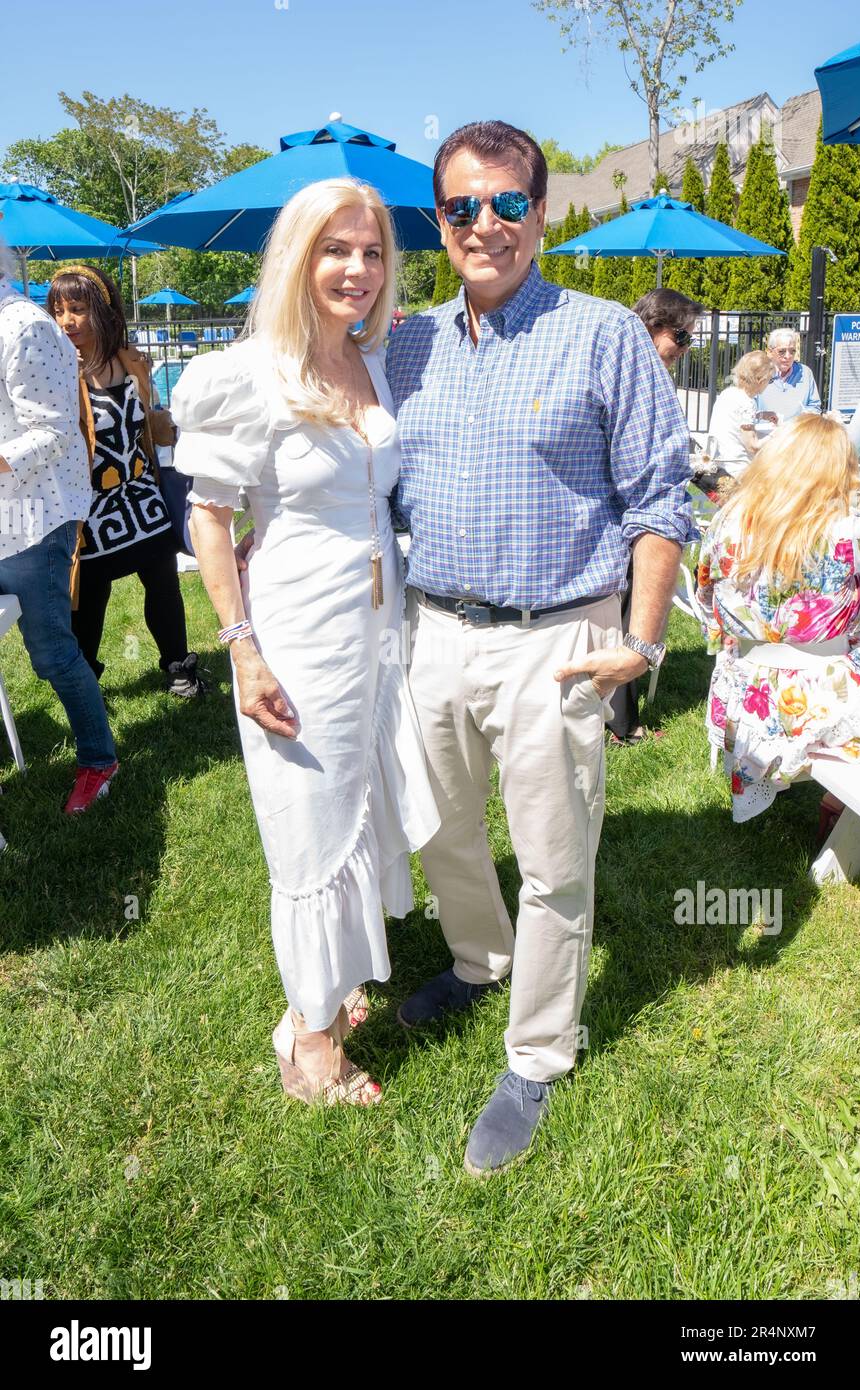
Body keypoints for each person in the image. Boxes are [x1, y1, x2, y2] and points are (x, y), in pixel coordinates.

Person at [386, 121, 694, 1176]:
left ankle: (536, 1052)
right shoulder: (406, 343)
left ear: (541, 213)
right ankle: (478, 962)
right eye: (463, 208)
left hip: (555, 639)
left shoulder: (603, 335)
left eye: (506, 203)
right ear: (438, 223)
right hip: (430, 629)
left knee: (554, 862)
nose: (486, 225)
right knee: (438, 833)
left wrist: (639, 645)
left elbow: (659, 502)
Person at [171, 178, 439, 1106]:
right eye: (337, 250)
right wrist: (241, 647)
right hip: (294, 629)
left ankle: (330, 989)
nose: (358, 269)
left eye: (372, 252)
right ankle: (310, 1047)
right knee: (309, 828)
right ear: (297, 257)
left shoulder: (376, 363)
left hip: (377, 627)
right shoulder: (247, 374)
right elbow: (208, 519)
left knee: (360, 802)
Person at [696, 414, 860, 831]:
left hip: (745, 691)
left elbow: (707, 604)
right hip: (830, 696)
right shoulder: (851, 529)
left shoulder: (727, 523)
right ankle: (835, 804)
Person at [0, 233, 118, 814]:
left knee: (50, 653)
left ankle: (99, 759)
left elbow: (54, 430)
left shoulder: (23, 325)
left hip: (32, 516)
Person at [47, 266, 205, 697]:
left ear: (103, 310)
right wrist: (65, 377)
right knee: (89, 603)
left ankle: (178, 667)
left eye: (77, 309)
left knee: (164, 587)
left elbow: (147, 423)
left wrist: (164, 425)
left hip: (142, 498)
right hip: (91, 511)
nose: (67, 321)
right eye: (59, 310)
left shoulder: (132, 361)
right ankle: (84, 686)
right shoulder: (54, 372)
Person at [608, 287, 704, 744]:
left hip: (634, 518)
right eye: (681, 336)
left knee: (626, 618)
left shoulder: (652, 374)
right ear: (651, 327)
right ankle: (622, 725)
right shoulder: (631, 373)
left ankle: (619, 718)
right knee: (625, 621)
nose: (684, 349)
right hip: (621, 522)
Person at [707, 350, 775, 479]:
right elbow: (753, 446)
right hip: (736, 469)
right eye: (770, 380)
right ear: (761, 380)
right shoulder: (747, 403)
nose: (768, 384)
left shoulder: (729, 393)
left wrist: (761, 415)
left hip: (717, 462)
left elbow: (735, 418)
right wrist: (775, 434)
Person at [755, 327, 821, 423]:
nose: (788, 356)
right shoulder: (759, 373)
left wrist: (805, 418)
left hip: (796, 433)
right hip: (766, 434)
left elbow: (815, 406)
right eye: (782, 351)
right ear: (770, 352)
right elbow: (747, 410)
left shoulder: (805, 373)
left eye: (792, 351)